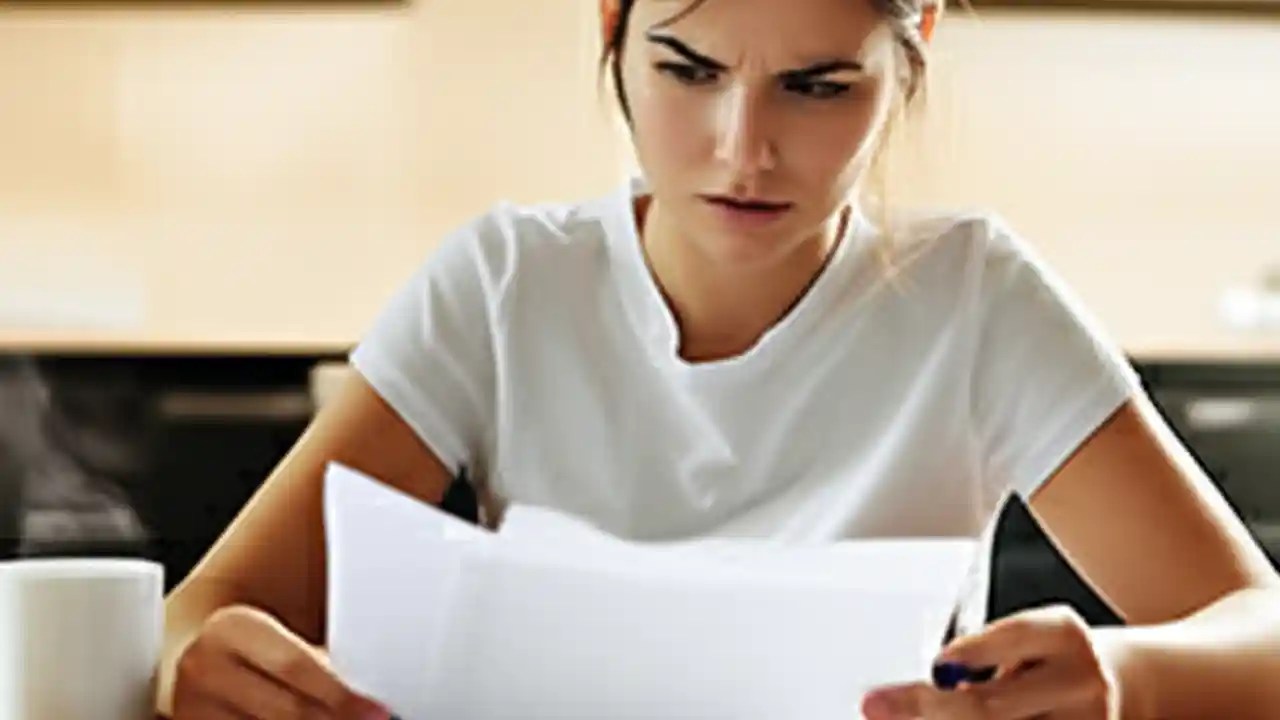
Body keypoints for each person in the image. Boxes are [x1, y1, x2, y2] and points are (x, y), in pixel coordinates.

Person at [158, 0, 1280, 717]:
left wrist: (1124, 677)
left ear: (912, 46)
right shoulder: (506, 283)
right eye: (687, 70)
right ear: (611, 26)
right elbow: (208, 609)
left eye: (815, 86)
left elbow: (1259, 633)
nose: (741, 151)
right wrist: (198, 665)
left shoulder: (973, 297)